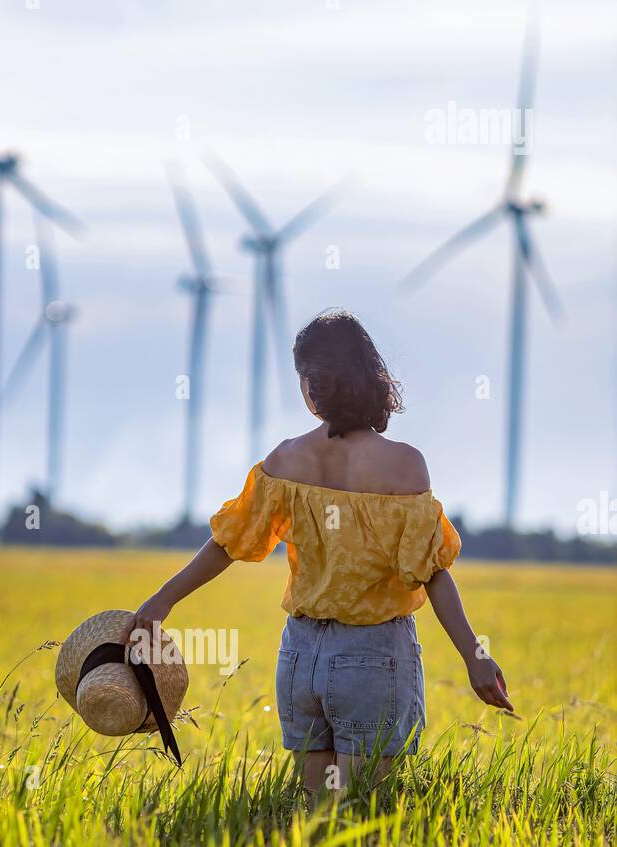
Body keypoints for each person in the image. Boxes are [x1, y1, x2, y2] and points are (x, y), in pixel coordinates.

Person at [131, 308, 512, 797]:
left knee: (314, 815)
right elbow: (432, 573)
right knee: (362, 818)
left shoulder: (286, 460)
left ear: (313, 386)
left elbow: (229, 542)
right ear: (370, 377)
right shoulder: (403, 467)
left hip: (301, 655)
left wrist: (163, 599)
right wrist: (474, 656)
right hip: (372, 657)